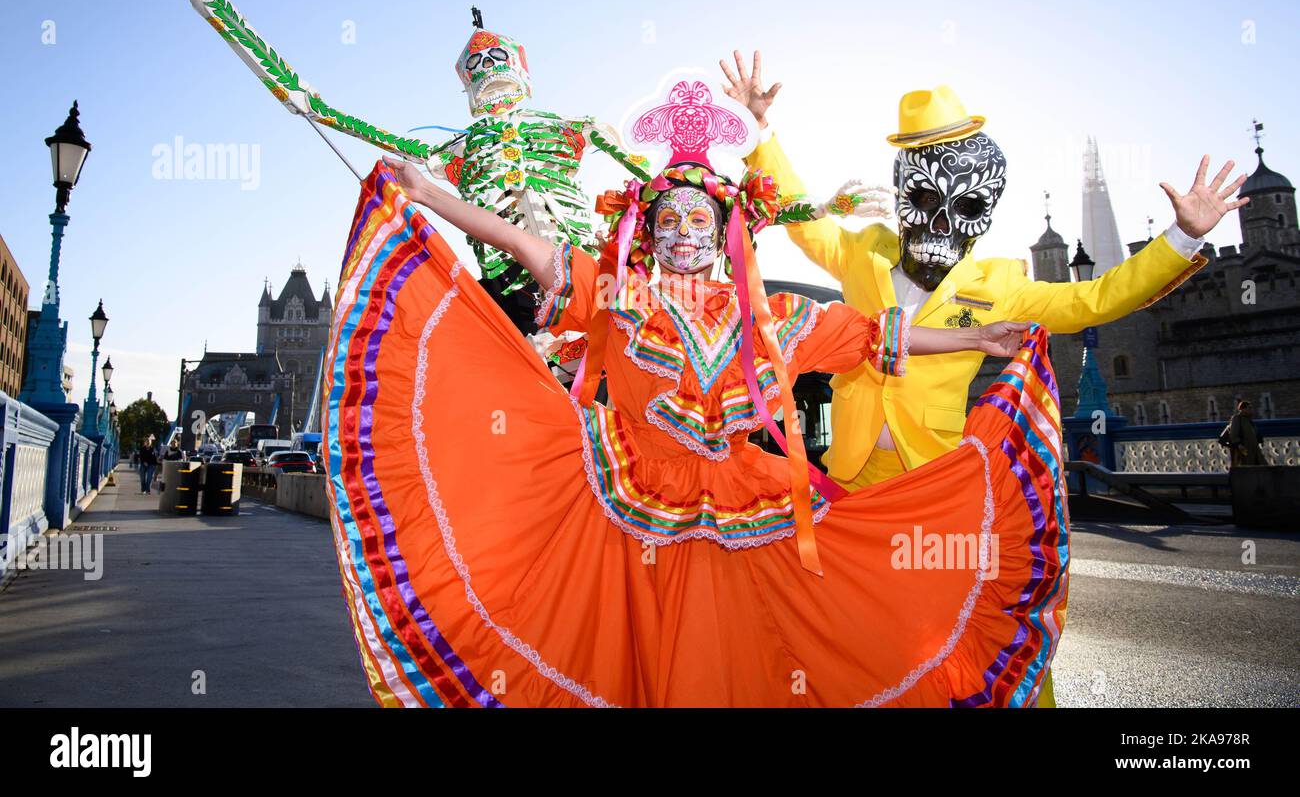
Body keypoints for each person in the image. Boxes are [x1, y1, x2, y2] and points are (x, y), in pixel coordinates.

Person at [320, 76, 1069, 708]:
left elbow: (878, 336)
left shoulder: (770, 318)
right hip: (632, 516)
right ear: (646, 234)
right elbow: (526, 245)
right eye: (669, 219)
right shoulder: (621, 296)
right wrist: (428, 193)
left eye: (699, 218)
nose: (684, 231)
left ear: (724, 234)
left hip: (749, 513)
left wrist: (978, 337)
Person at [720, 50, 1250, 708]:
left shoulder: (999, 283)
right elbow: (802, 215)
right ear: (905, 193)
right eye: (925, 198)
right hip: (852, 478)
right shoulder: (862, 251)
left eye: (965, 203)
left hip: (939, 479)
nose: (942, 220)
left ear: (986, 207)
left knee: (968, 620)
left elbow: (1092, 300)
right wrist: (759, 133)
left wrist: (1182, 238)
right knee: (847, 624)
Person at [1223, 400, 1268, 467]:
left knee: (1261, 466)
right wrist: (1239, 444)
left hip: (1254, 449)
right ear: (1242, 409)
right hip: (1244, 449)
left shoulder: (1248, 420)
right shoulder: (1237, 418)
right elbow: (1234, 433)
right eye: (1249, 408)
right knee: (1247, 467)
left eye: (1251, 408)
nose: (1251, 410)